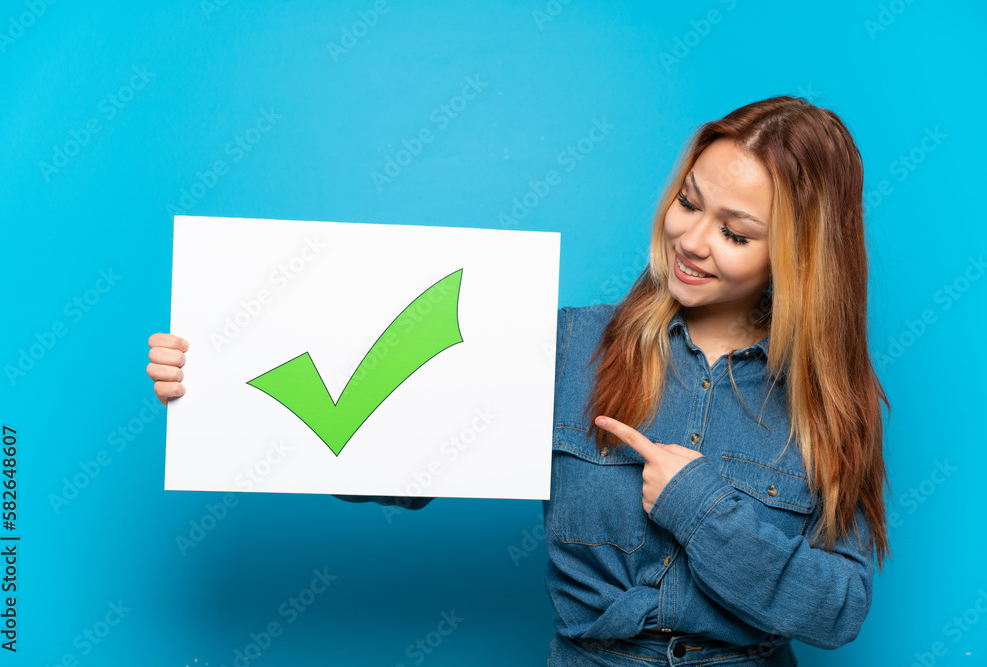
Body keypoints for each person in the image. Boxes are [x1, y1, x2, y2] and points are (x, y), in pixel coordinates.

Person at [147, 95, 890, 666]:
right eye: (688, 201)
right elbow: (395, 453)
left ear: (799, 257)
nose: (691, 240)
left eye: (734, 232)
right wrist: (219, 381)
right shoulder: (565, 344)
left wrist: (699, 505)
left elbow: (838, 611)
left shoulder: (831, 404)